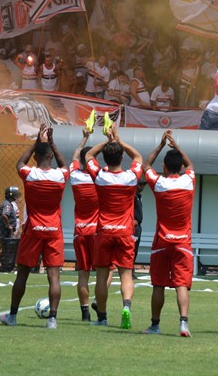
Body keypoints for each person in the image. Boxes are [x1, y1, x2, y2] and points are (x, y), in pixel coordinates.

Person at [0, 125, 68, 329]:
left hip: (34, 230)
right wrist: (52, 143)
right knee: (53, 276)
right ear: (51, 155)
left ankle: (12, 316)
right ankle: (52, 320)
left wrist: (36, 141)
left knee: (22, 274)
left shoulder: (29, 174)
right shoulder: (59, 176)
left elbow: (20, 162)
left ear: (36, 157)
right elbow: (66, 165)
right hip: (54, 230)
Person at [85, 125, 143, 329]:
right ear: (120, 158)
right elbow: (137, 157)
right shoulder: (130, 177)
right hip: (125, 232)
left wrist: (106, 141)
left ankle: (102, 317)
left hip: (104, 232)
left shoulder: (100, 176)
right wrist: (118, 140)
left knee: (101, 276)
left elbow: (89, 155)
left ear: (107, 159)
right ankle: (126, 307)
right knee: (126, 274)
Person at [142, 131, 196, 337]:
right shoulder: (189, 181)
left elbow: (146, 165)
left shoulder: (159, 183)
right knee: (181, 284)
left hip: (162, 242)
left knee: (158, 285)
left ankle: (155, 326)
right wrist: (177, 145)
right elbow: (190, 166)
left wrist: (160, 145)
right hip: (183, 243)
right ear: (180, 167)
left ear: (164, 167)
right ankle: (183, 324)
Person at [69, 130, 99, 321]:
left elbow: (74, 156)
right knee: (107, 269)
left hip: (80, 231)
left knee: (83, 274)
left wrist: (84, 138)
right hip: (98, 231)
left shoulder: (75, 176)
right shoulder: (101, 178)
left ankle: (85, 313)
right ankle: (98, 299)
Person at [0, 186, 22, 273]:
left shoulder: (10, 203)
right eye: (15, 195)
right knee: (7, 248)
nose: (16, 197)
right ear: (11, 195)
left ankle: (3, 264)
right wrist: (9, 225)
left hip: (8, 231)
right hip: (6, 231)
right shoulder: (7, 204)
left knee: (7, 248)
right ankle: (4, 266)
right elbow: (4, 215)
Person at [133, 180, 145, 279]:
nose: (142, 187)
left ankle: (131, 270)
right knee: (131, 249)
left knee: (135, 250)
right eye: (140, 184)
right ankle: (129, 271)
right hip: (133, 226)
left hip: (138, 227)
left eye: (143, 185)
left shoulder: (138, 197)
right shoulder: (132, 196)